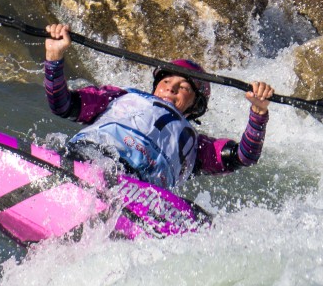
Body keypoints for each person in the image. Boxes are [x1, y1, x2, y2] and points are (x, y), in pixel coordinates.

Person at [43, 23, 275, 191]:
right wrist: (54, 58)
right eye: (165, 82)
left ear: (196, 105)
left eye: (183, 87)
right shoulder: (120, 96)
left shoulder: (196, 146)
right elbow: (63, 105)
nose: (171, 89)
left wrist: (258, 113)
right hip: (84, 156)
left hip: (134, 189)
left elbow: (244, 157)